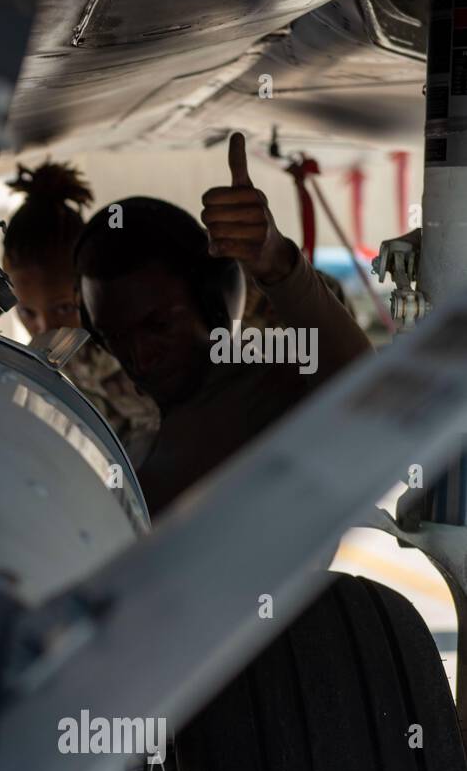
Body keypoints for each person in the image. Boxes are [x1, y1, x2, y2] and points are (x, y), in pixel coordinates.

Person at [73, 133, 373, 516]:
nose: (140, 358)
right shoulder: (133, 434)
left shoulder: (271, 393)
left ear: (210, 300)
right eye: (114, 338)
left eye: (159, 325)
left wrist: (279, 266)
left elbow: (362, 388)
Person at [2, 161, 160, 459]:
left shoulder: (150, 330)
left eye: (63, 308)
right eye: (27, 313)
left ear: (89, 286)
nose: (45, 329)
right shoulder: (57, 364)